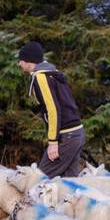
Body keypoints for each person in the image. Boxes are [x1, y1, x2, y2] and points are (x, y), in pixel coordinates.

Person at [17, 40, 85, 178]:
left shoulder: (41, 78)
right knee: (69, 184)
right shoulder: (53, 73)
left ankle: (29, 201)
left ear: (29, 61)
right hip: (77, 133)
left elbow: (52, 109)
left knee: (39, 179)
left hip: (66, 136)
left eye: (21, 60)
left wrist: (53, 142)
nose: (19, 64)